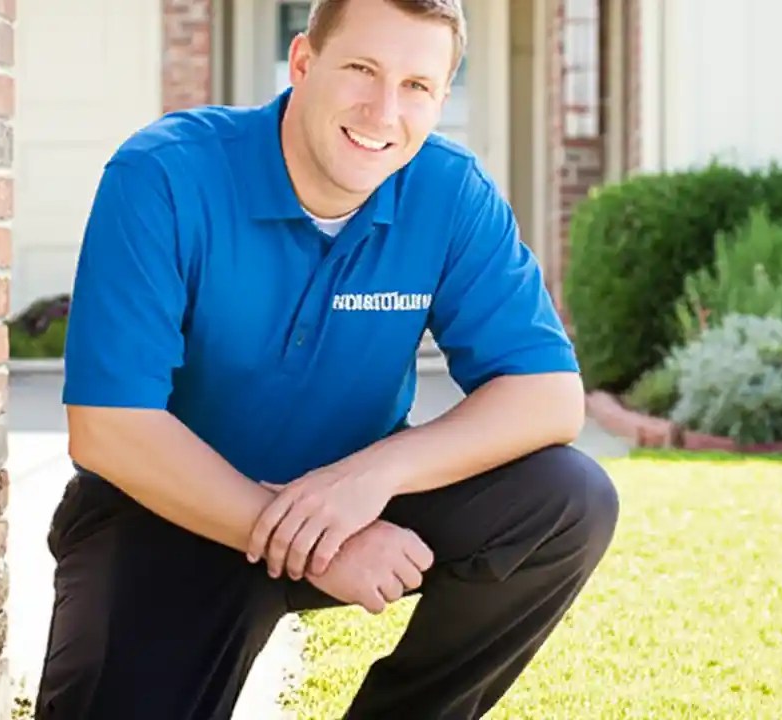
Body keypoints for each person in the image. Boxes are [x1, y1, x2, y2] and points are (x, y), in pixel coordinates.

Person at [33, 0, 619, 717]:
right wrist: (308, 542)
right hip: (166, 512)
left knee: (567, 500)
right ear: (304, 63)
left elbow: (549, 395)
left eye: (417, 87)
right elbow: (110, 428)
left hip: (350, 504)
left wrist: (370, 476)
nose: (383, 112)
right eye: (362, 70)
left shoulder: (448, 191)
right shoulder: (164, 176)